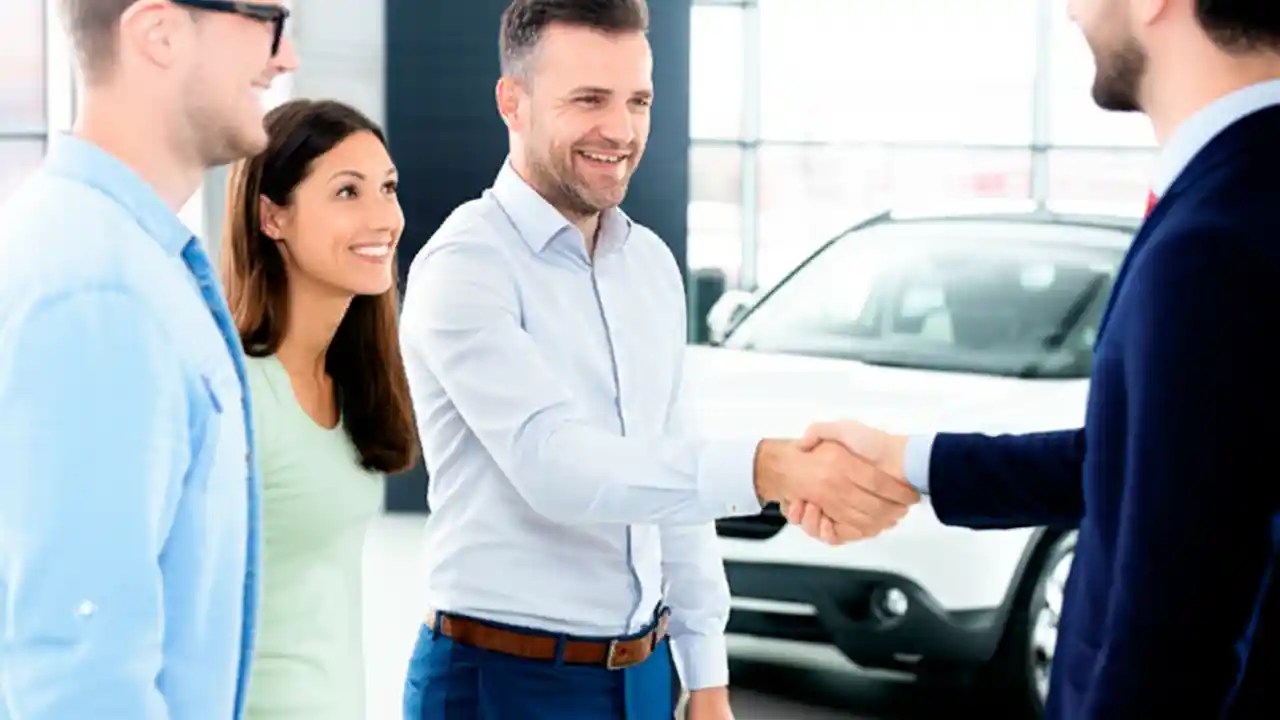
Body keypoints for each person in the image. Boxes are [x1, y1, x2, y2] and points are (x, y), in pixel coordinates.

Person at [396, 1, 920, 718]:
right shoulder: (466, 267)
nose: (620, 129)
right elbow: (556, 466)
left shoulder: (646, 263)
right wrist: (770, 468)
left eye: (637, 101)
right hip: (501, 680)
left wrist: (705, 673)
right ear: (512, 102)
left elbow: (670, 469)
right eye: (589, 99)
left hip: (642, 674)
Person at [785, 0, 1280, 717]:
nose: (1072, 11)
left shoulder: (1215, 240)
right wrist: (910, 461)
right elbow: (1159, 467)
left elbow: (1180, 618)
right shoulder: (1243, 191)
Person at [0, 1, 296, 718]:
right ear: (158, 32)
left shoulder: (129, 259)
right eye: (268, 19)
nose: (284, 58)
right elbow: (78, 676)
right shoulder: (100, 290)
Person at [220, 98, 420, 720]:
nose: (383, 217)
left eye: (387, 188)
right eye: (347, 192)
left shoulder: (348, 383)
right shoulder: (237, 393)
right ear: (272, 217)